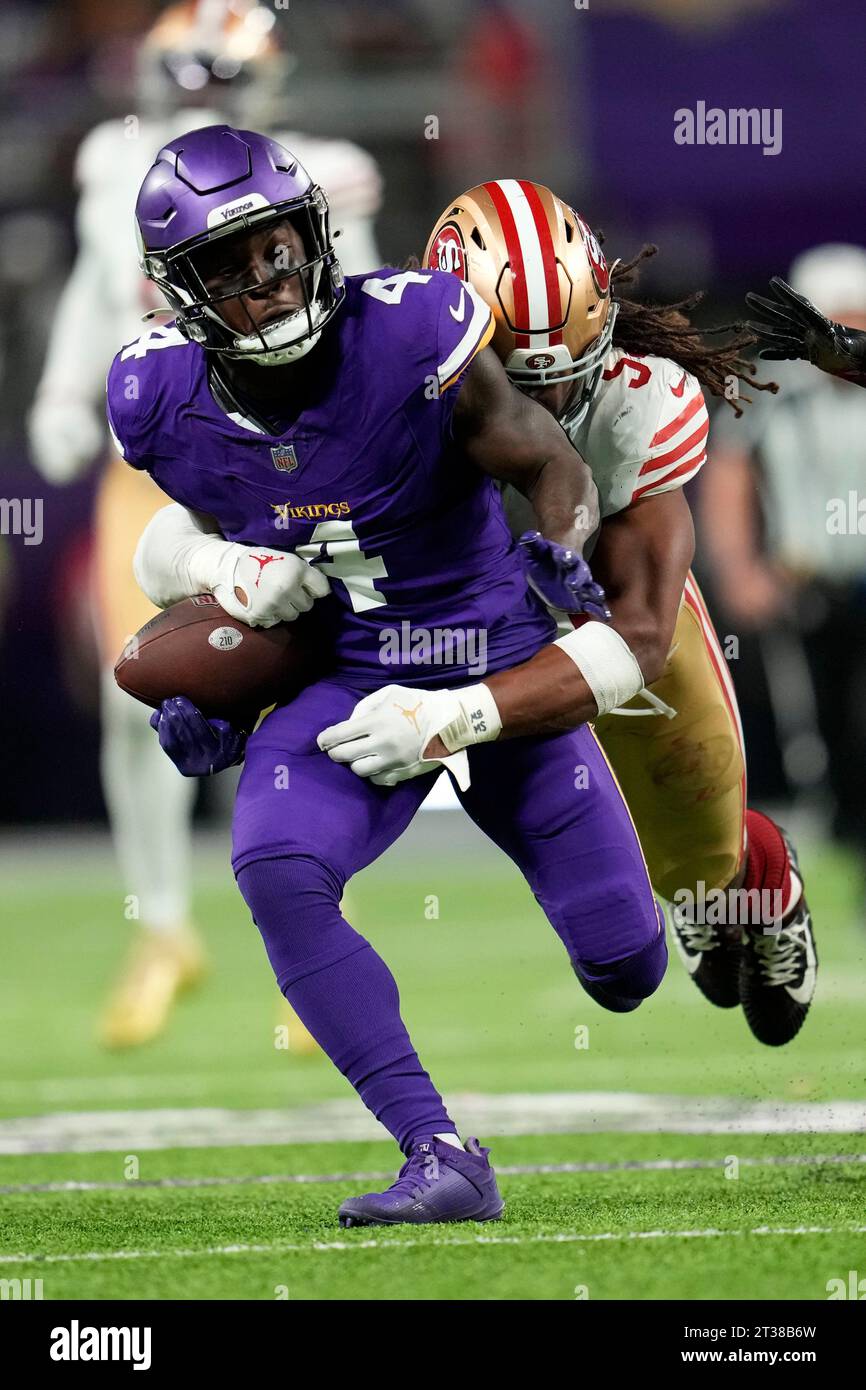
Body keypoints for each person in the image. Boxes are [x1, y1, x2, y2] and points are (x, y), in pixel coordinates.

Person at [114, 124, 665, 1227]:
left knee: (622, 966)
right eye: (229, 270)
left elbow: (544, 456)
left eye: (276, 250)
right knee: (273, 864)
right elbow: (161, 547)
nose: (266, 285)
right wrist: (226, 571)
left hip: (486, 652)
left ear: (314, 234)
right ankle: (439, 1151)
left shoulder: (413, 327)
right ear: (179, 293)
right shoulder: (154, 393)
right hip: (343, 677)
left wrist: (561, 546)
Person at [27, 0, 382, 1048]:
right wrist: (60, 394)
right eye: (184, 81)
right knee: (126, 686)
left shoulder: (318, 171)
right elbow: (104, 292)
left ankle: (318, 913)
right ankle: (165, 926)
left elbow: (358, 313)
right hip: (163, 444)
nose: (197, 104)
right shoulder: (113, 164)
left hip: (276, 452)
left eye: (216, 83)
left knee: (311, 683)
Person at [422, 180, 818, 1047]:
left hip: (607, 616)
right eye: (523, 386)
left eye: (569, 376)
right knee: (609, 870)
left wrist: (465, 714)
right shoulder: (389, 391)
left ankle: (759, 874)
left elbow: (640, 632)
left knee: (700, 854)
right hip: (462, 618)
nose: (554, 408)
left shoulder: (643, 400)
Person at [705, 245, 866, 875]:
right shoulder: (774, 387)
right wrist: (739, 567)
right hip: (811, 580)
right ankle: (838, 822)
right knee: (818, 721)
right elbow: (731, 475)